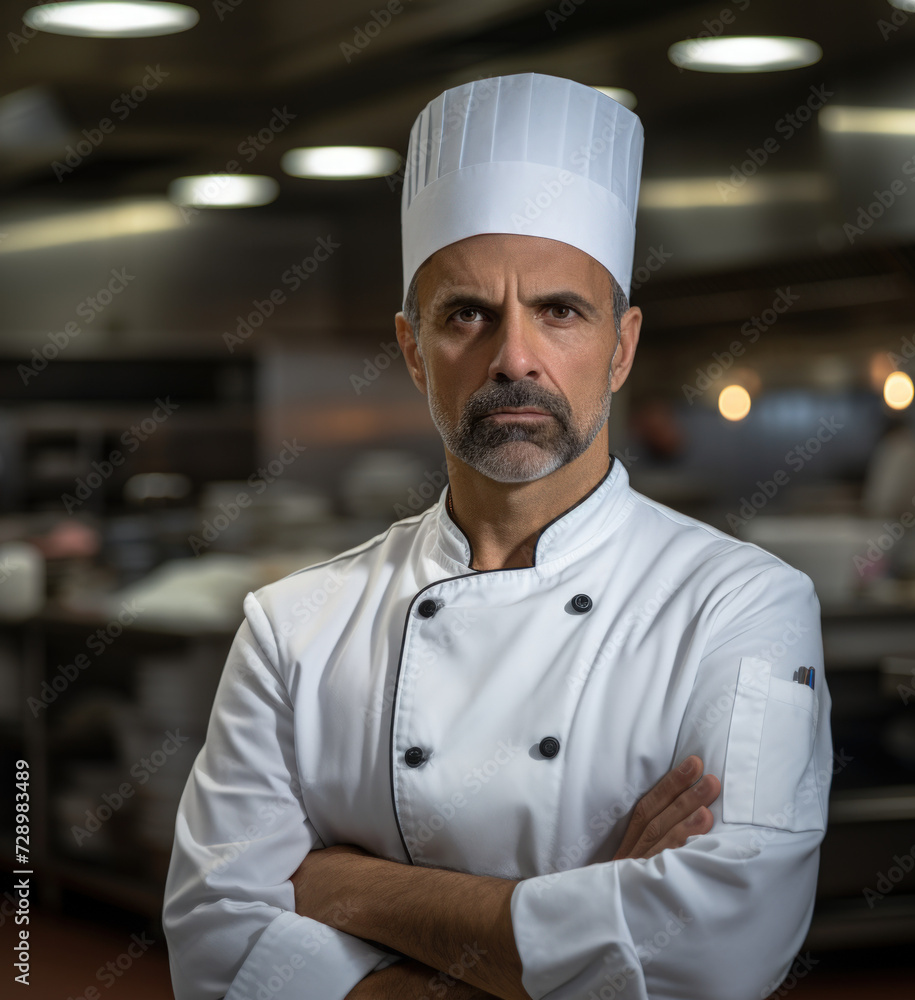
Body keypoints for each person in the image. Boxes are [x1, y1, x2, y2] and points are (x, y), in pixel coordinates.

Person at [163, 72, 832, 1000]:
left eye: (560, 310)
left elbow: (718, 950)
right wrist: (584, 920)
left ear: (623, 345)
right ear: (410, 349)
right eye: (467, 314)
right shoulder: (293, 628)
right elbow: (213, 947)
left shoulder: (740, 606)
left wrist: (338, 883)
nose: (514, 357)